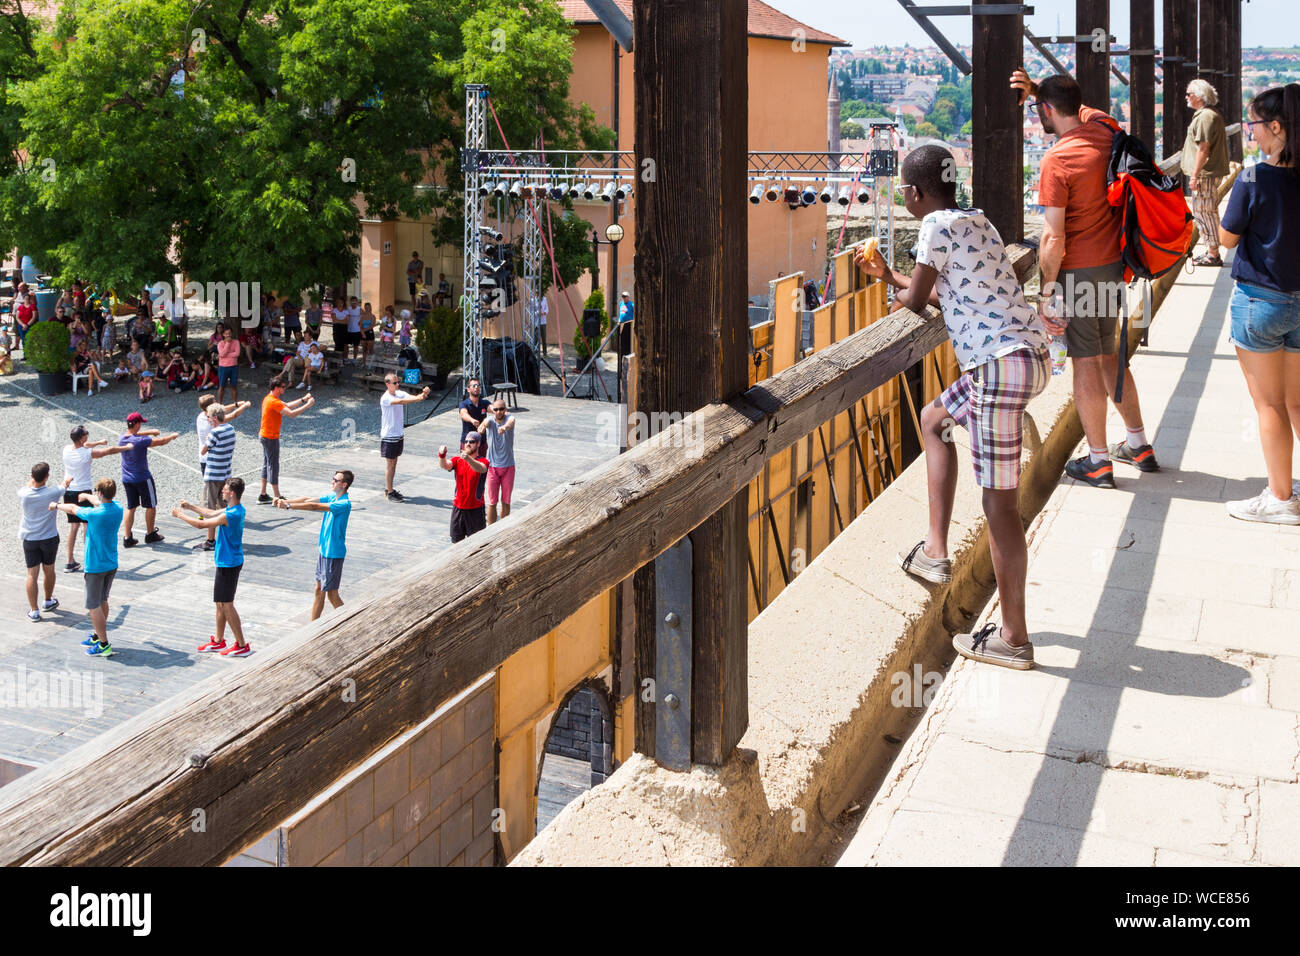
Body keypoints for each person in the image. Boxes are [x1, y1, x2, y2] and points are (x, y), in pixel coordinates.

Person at [856, 144, 1051, 670]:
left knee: (1000, 509)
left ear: (917, 193)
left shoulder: (933, 225)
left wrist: (888, 278)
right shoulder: (977, 221)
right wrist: (888, 276)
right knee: (935, 419)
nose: (906, 201)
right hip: (1023, 358)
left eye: (905, 193)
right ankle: (936, 553)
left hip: (996, 367)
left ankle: (1013, 639)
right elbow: (954, 296)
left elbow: (916, 302)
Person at [1011, 69, 1157, 488]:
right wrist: (1044, 92)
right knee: (1111, 356)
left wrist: (1046, 290)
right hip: (1114, 266)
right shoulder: (1106, 131)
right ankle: (1138, 443)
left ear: (1045, 110)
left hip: (1078, 274)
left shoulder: (1057, 159)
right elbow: (1083, 108)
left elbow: (1053, 237)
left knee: (1085, 362)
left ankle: (1097, 461)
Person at [1218, 84, 1300, 523]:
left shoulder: (1254, 176)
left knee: (1269, 405)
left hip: (1260, 302)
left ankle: (1281, 499)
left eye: (1254, 125)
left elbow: (1228, 237)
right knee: (1297, 403)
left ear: (1275, 127)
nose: (1252, 135)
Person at [174, 477, 250, 656]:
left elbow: (201, 524)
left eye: (224, 489)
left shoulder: (230, 515)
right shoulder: (235, 508)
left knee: (227, 604)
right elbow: (209, 514)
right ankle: (218, 640)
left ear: (231, 493)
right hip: (226, 561)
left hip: (229, 563)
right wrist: (191, 507)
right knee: (220, 603)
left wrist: (180, 515)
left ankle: (241, 644)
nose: (222, 491)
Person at [50, 477, 123, 657]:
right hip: (111, 563)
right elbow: (100, 502)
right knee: (103, 600)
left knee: (93, 605)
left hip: (95, 565)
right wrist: (86, 496)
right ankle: (98, 636)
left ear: (99, 492)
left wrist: (57, 506)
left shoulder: (94, 514)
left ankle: (104, 644)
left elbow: (74, 509)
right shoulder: (118, 508)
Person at [276, 470, 353, 620]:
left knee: (332, 594)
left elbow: (314, 506)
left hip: (333, 554)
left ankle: (351, 621)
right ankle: (312, 626)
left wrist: (289, 507)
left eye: (335, 480)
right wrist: (285, 501)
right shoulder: (333, 497)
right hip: (324, 551)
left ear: (344, 485)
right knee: (319, 589)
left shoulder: (343, 503)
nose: (332, 482)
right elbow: (307, 499)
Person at [61, 426, 128, 572]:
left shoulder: (66, 449)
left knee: (73, 527)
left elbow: (84, 445)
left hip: (69, 491)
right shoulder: (86, 454)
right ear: (82, 438)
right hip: (83, 491)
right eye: (86, 433)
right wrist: (126, 447)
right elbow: (108, 451)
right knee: (87, 526)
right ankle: (88, 560)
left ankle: (69, 561)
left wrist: (98, 442)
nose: (87, 435)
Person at [1183, 79, 1231, 267]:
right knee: (1206, 209)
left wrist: (1194, 175)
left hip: (1205, 174)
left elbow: (1203, 148)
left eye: (1189, 94)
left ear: (1200, 96)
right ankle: (1212, 251)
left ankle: (1213, 253)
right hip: (1208, 172)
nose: (1186, 97)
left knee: (1204, 211)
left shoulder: (1204, 117)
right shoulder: (1210, 115)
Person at [197, 396, 251, 549]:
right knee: (223, 507)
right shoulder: (230, 429)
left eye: (209, 417)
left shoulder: (215, 433)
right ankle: (224, 537)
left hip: (213, 473)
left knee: (209, 507)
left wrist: (209, 438)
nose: (207, 419)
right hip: (225, 473)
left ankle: (210, 540)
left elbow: (203, 451)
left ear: (214, 418)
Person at [118, 412, 180, 547]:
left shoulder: (122, 438)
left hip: (127, 478)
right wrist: (172, 436)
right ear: (136, 424)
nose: (141, 426)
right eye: (140, 423)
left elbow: (134, 434)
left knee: (131, 507)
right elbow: (161, 442)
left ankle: (127, 537)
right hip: (143, 478)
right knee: (151, 506)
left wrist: (151, 431)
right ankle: (150, 533)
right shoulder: (141, 441)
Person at [257, 375, 314, 503]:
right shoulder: (274, 401)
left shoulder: (269, 398)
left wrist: (303, 399)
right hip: (270, 437)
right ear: (276, 388)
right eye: (283, 387)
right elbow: (291, 413)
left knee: (266, 464)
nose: (284, 389)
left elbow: (287, 405)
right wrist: (308, 406)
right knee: (273, 465)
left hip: (265, 435)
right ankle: (277, 497)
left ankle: (263, 494)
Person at [20, 462, 64, 622]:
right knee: (49, 569)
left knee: (32, 574)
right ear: (47, 477)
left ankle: (34, 610)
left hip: (30, 538)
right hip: (49, 537)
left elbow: (29, 485)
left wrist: (33, 480)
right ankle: (47, 600)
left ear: (32, 476)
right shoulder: (53, 492)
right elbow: (64, 485)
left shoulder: (23, 494)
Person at [379, 373, 432, 501]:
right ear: (387, 384)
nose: (397, 385)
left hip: (398, 433)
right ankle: (389, 491)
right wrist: (419, 397)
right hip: (389, 434)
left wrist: (423, 395)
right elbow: (402, 401)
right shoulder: (385, 398)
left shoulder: (399, 392)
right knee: (390, 463)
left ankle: (390, 488)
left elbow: (411, 398)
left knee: (394, 462)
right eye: (395, 383)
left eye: (398, 382)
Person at [440, 433, 488, 542]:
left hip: (475, 510)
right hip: (458, 508)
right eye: (466, 442)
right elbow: (445, 465)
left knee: (477, 544)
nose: (468, 444)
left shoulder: (483, 461)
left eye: (471, 442)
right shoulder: (457, 460)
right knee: (456, 542)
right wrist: (442, 455)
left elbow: (481, 469)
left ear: (478, 444)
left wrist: (468, 459)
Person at [477, 398, 516, 524]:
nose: (499, 412)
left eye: (501, 409)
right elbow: (485, 423)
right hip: (492, 467)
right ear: (492, 410)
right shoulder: (490, 420)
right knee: (492, 502)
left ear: (505, 410)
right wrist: (481, 428)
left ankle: (503, 528)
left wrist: (504, 428)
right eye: (496, 409)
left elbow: (511, 423)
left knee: (506, 501)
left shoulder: (510, 418)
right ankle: (491, 529)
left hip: (508, 467)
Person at [215, 324, 242, 403]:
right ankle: (219, 403)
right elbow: (222, 354)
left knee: (234, 386)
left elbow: (237, 354)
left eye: (229, 333)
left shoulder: (236, 342)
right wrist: (228, 344)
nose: (228, 335)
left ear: (232, 333)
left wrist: (224, 355)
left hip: (234, 367)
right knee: (221, 386)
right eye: (226, 334)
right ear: (223, 334)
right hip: (223, 367)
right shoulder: (220, 344)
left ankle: (235, 402)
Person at [458, 377, 490, 441]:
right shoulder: (464, 404)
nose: (476, 387)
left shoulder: (484, 403)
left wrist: (499, 410)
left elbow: (492, 408)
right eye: (474, 386)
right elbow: (463, 414)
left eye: (478, 385)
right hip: (468, 442)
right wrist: (472, 420)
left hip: (482, 441)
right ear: (468, 389)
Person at [359, 301, 376, 367]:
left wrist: (364, 331)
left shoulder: (373, 316)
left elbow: (372, 326)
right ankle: (364, 363)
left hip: (369, 333)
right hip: (363, 333)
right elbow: (360, 325)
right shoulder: (362, 316)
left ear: (370, 308)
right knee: (364, 349)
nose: (367, 309)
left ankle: (372, 363)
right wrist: (362, 333)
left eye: (368, 307)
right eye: (366, 307)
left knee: (370, 349)